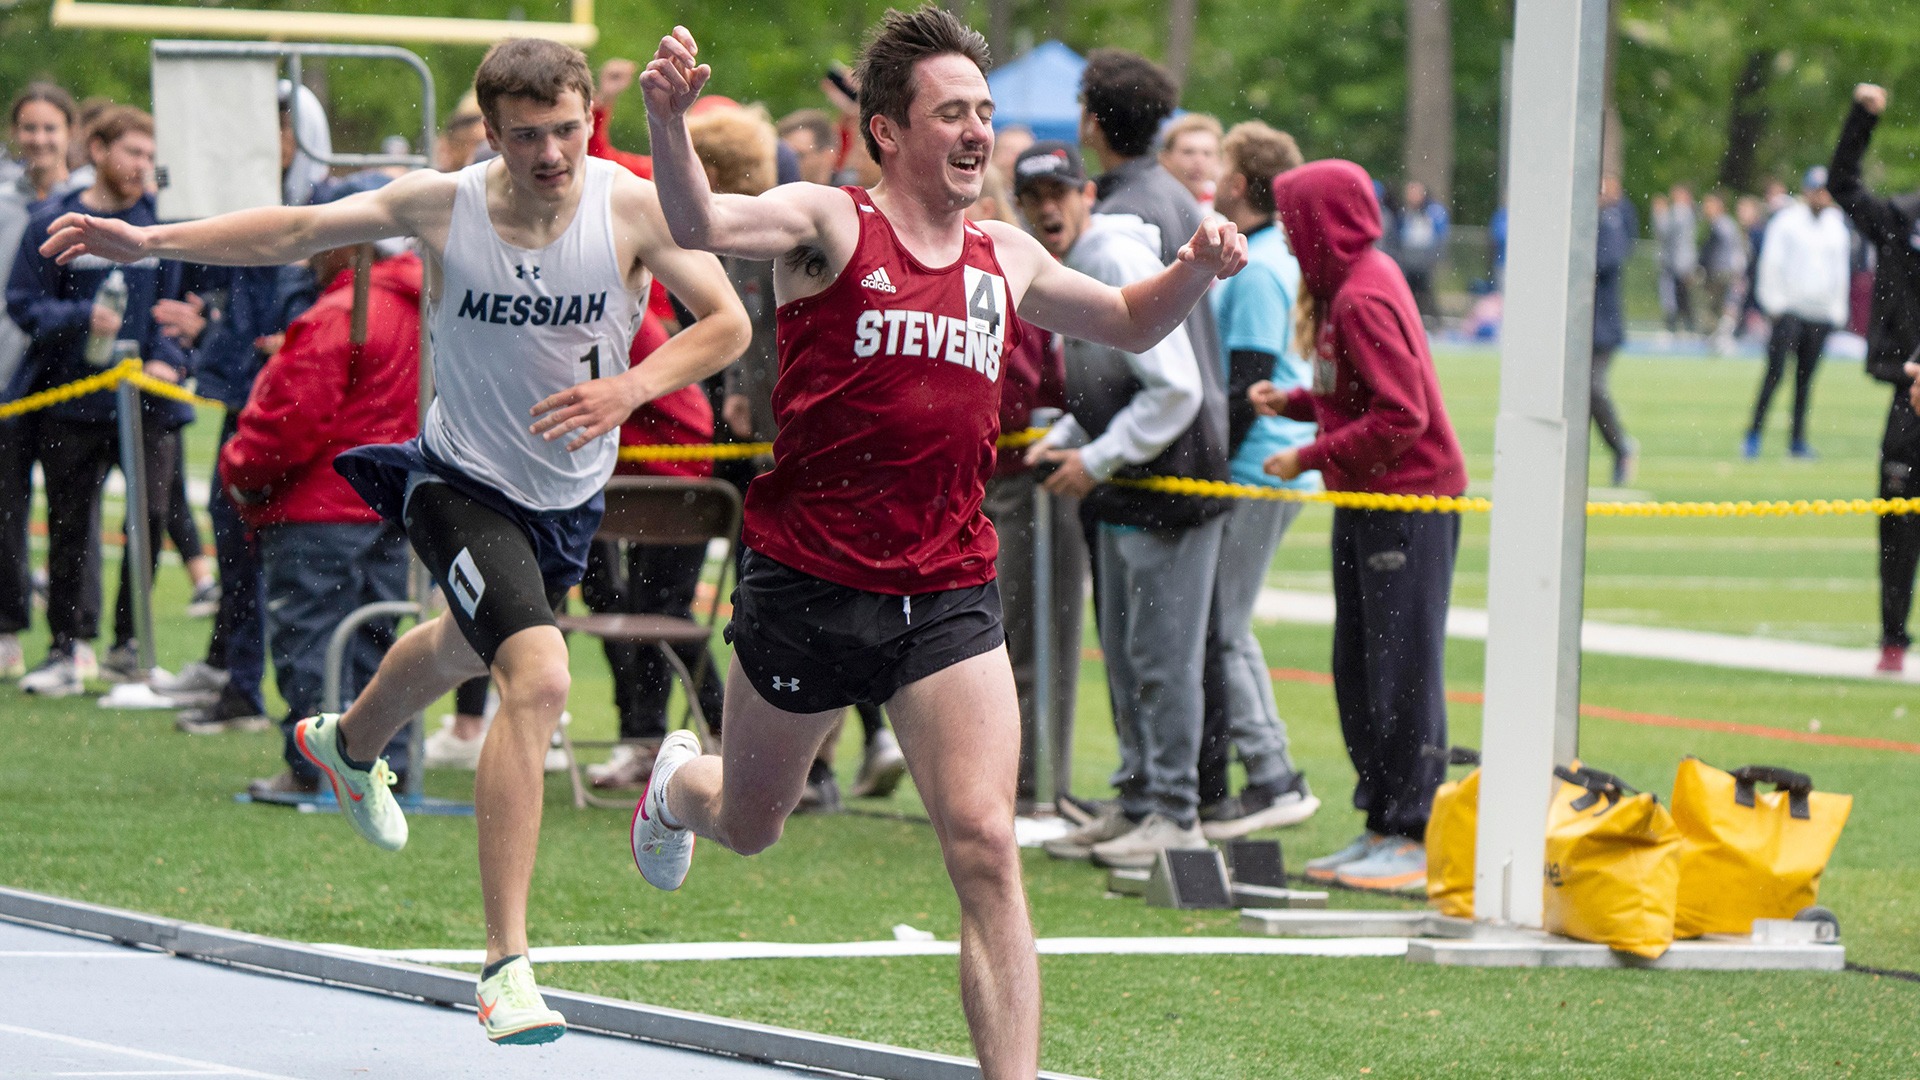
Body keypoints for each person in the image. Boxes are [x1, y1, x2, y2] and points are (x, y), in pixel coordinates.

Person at [39, 37, 750, 1045]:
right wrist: (151, 245)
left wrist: (631, 388)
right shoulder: (444, 203)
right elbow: (297, 226)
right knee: (537, 676)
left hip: (563, 502)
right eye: (524, 137)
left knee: (467, 642)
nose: (550, 155)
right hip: (454, 482)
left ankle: (346, 741)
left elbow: (727, 326)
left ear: (590, 113)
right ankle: (505, 965)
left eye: (565, 130)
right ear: (491, 135)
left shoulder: (628, 206)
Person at [633, 12, 1244, 1073]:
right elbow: (700, 224)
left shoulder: (1005, 251)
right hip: (809, 584)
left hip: (948, 593)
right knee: (750, 821)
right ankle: (679, 788)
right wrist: (667, 120)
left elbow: (1133, 323)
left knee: (986, 843)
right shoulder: (828, 221)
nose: (977, 134)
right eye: (952, 113)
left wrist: (1194, 265)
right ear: (887, 131)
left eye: (985, 114)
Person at [1254, 159, 1466, 896]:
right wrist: (1295, 405)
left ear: (1324, 222)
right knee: (1362, 669)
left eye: (1291, 221)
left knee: (1401, 671)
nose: (1285, 235)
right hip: (1374, 503)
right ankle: (1383, 820)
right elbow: (1359, 397)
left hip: (1407, 507)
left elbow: (1401, 418)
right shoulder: (1350, 286)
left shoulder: (1363, 295)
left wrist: (1309, 454)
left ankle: (1411, 829)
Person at [1013, 140, 1225, 869]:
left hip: (1171, 486)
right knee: (1132, 658)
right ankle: (1137, 803)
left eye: (1059, 193)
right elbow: (1111, 387)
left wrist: (1093, 456)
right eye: (1033, 197)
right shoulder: (1075, 263)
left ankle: (1175, 812)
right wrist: (1070, 437)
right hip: (1128, 485)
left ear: (1086, 195)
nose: (1046, 208)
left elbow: (1177, 387)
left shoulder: (1110, 258)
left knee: (1162, 660)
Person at [222, 172, 421, 796]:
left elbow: (288, 423)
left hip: (321, 506)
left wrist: (239, 470)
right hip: (393, 501)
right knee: (382, 639)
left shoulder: (340, 314)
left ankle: (316, 767)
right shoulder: (423, 310)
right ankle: (388, 762)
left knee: (310, 641)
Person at [155, 86, 334, 734]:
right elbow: (250, 308)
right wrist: (214, 335)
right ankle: (239, 681)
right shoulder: (268, 204)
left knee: (268, 548)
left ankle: (273, 701)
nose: (268, 141)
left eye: (280, 128)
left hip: (284, 402)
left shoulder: (315, 211)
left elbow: (303, 315)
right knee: (235, 537)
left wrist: (278, 344)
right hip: (252, 395)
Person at [9, 104, 191, 696]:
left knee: (151, 521)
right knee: (70, 526)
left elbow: (181, 313)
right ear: (97, 150)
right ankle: (68, 647)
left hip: (149, 405)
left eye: (149, 155)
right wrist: (83, 317)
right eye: (131, 153)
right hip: (72, 402)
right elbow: (24, 304)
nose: (142, 166)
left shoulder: (162, 227)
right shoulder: (54, 222)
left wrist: (171, 354)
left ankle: (128, 646)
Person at [1196, 121, 1321, 839]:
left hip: (1256, 467)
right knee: (1223, 623)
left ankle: (1273, 774)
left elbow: (1248, 381)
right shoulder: (1274, 256)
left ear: (1240, 184)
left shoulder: (1262, 266)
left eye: (1223, 167)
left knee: (1223, 625)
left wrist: (1209, 469)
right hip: (1263, 462)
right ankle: (1267, 769)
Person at [1828, 84, 1920, 674]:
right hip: (1908, 404)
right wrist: (1862, 118)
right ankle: (1892, 638)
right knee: (1897, 522)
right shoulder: (1899, 221)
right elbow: (1843, 185)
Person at [0, 82, 87, 682]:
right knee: (5, 509)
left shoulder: (86, 201)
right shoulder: (3, 201)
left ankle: (73, 637)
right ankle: (7, 629)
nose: (38, 139)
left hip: (65, 383)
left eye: (49, 128)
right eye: (28, 127)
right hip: (6, 378)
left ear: (69, 134)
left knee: (70, 515)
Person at [1745, 165, 1850, 460]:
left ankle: (1797, 440)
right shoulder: (1787, 222)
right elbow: (1771, 264)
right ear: (1806, 191)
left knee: (1805, 381)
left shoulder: (1835, 224)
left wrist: (1837, 310)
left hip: (1819, 313)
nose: (1821, 196)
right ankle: (1754, 433)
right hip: (1790, 310)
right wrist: (1773, 304)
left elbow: (1840, 271)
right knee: (1774, 374)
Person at [1592, 175, 1639, 487]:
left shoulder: (1611, 219)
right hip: (1585, 322)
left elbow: (1608, 259)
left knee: (1592, 388)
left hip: (1602, 324)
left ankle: (1622, 446)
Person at [1699, 191, 1749, 353]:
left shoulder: (1721, 225)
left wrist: (1702, 266)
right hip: (1724, 271)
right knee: (1721, 306)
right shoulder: (1727, 224)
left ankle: (1720, 339)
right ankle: (1720, 339)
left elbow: (1713, 250)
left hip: (1721, 272)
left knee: (1718, 307)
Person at [1392, 179, 1448, 320]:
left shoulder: (1433, 211)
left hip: (1425, 260)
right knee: (1409, 291)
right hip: (1409, 260)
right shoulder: (1406, 212)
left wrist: (1433, 258)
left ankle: (1432, 319)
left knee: (1425, 291)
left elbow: (1439, 236)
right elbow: (1400, 235)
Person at [1655, 184, 1699, 336]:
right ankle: (1684, 323)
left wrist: (1660, 214)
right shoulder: (1685, 213)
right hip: (1678, 260)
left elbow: (1665, 231)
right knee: (1680, 293)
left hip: (1679, 261)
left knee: (1680, 293)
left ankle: (1683, 324)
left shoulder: (1681, 212)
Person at [1157, 112, 1223, 214]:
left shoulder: (1225, 207)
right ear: (1165, 158)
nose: (1199, 161)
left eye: (1207, 153)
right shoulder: (1153, 203)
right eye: (1189, 152)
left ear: (1218, 160)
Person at [777, 108, 840, 187]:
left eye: (798, 155)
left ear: (827, 157)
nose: (788, 161)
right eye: (783, 154)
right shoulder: (771, 195)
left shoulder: (850, 197)